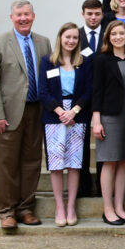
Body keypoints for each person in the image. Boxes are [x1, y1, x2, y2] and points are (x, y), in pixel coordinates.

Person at [0, 0, 52, 230]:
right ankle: (7, 211)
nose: (23, 18)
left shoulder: (43, 42)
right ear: (11, 17)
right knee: (6, 165)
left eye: (27, 14)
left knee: (31, 162)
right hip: (5, 116)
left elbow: (48, 76)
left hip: (35, 110)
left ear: (33, 16)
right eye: (19, 14)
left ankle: (25, 208)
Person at [37, 22, 92, 227]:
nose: (71, 41)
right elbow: (43, 91)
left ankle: (71, 206)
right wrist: (60, 111)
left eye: (75, 38)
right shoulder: (48, 61)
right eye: (67, 37)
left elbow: (88, 90)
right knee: (57, 164)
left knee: (75, 164)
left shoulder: (84, 62)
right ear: (60, 37)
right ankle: (59, 206)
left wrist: (74, 111)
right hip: (54, 117)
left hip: (77, 116)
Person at [91, 20, 125, 225]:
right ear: (108, 38)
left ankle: (120, 207)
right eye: (114, 34)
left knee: (124, 162)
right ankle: (108, 209)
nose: (118, 37)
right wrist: (97, 121)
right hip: (110, 117)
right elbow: (96, 92)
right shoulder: (101, 60)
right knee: (109, 162)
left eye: (121, 33)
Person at [77, 0, 105, 197]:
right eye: (89, 14)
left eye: (97, 14)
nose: (93, 17)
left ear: (102, 14)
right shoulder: (75, 36)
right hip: (82, 95)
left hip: (104, 94)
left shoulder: (109, 33)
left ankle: (103, 184)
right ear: (83, 14)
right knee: (81, 142)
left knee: (104, 140)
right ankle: (83, 185)